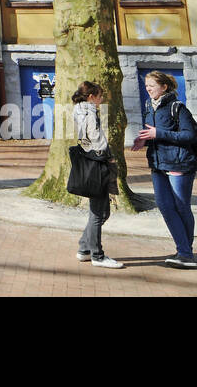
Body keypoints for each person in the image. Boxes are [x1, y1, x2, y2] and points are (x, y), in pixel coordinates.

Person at [135, 70, 197, 269]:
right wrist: (144, 140)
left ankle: (185, 253)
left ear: (164, 87)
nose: (148, 89)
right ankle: (184, 251)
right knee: (164, 206)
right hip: (158, 164)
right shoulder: (149, 106)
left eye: (152, 86)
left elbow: (189, 136)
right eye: (146, 86)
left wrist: (158, 133)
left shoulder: (177, 107)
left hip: (179, 163)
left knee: (181, 207)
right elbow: (156, 135)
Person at [71, 81, 123, 269]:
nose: (102, 100)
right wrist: (107, 157)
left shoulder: (78, 110)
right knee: (99, 211)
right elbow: (97, 140)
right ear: (91, 96)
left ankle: (84, 249)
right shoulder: (89, 112)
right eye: (100, 96)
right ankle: (97, 255)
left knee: (101, 211)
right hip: (97, 164)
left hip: (88, 162)